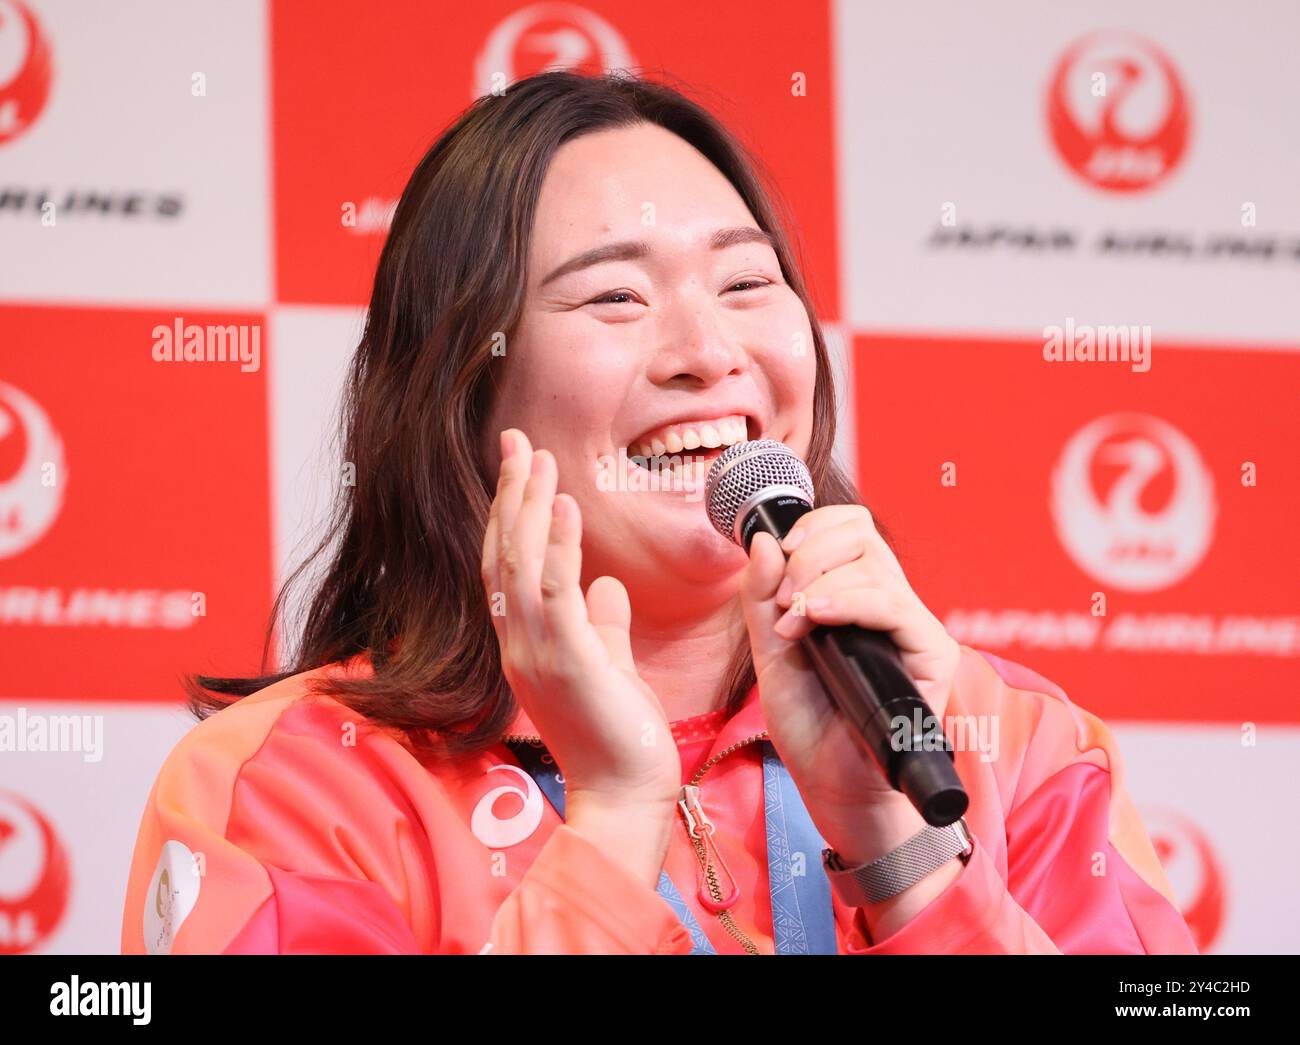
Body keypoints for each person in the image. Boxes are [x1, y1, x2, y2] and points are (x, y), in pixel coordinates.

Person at [121, 70, 1197, 955]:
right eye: (614, 297)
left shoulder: (1008, 741)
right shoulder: (297, 784)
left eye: (745, 285)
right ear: (463, 384)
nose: (707, 354)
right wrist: (615, 818)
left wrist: (901, 851)